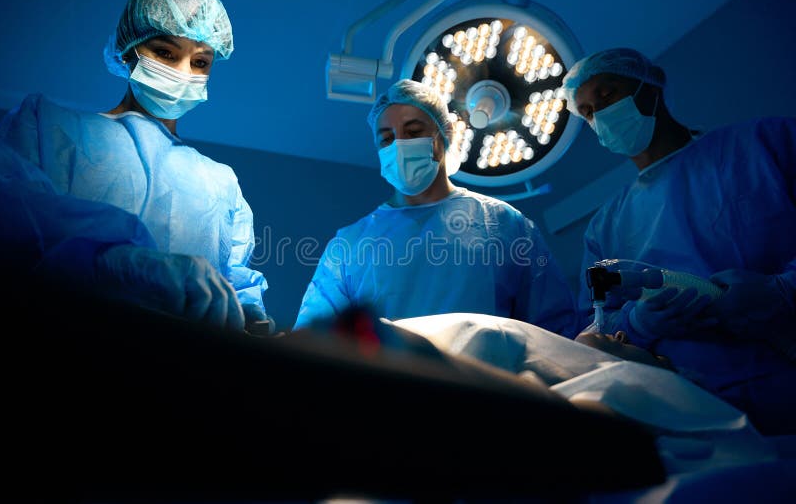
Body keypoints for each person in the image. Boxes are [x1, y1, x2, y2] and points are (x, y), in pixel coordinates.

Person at [0, 0, 269, 331]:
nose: (183, 73)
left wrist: (250, 322)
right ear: (128, 51)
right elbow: (11, 226)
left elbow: (236, 287)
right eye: (166, 53)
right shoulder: (49, 128)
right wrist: (111, 264)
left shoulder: (221, 183)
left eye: (200, 62)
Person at [560, 47, 796, 434]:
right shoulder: (606, 227)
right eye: (586, 111)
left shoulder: (765, 144)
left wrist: (783, 289)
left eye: (607, 93)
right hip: (701, 409)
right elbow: (595, 330)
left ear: (649, 86)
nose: (599, 114)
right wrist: (637, 324)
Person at [293, 79, 578, 338]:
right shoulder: (350, 244)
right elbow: (315, 343)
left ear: (444, 135)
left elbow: (554, 337)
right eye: (387, 139)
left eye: (414, 131)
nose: (400, 145)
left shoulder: (505, 225)